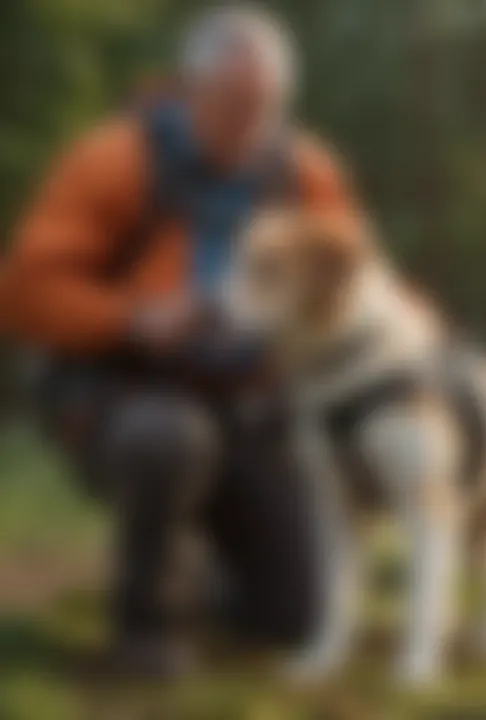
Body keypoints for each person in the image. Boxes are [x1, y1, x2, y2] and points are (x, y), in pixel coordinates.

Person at [1, 6, 360, 675]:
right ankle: (145, 634)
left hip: (246, 404)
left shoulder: (306, 174)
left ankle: (198, 577)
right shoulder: (113, 158)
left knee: (295, 616)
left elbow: (360, 278)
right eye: (232, 103)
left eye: (266, 106)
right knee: (168, 436)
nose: (250, 123)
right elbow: (21, 291)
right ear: (189, 89)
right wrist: (132, 318)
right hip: (121, 393)